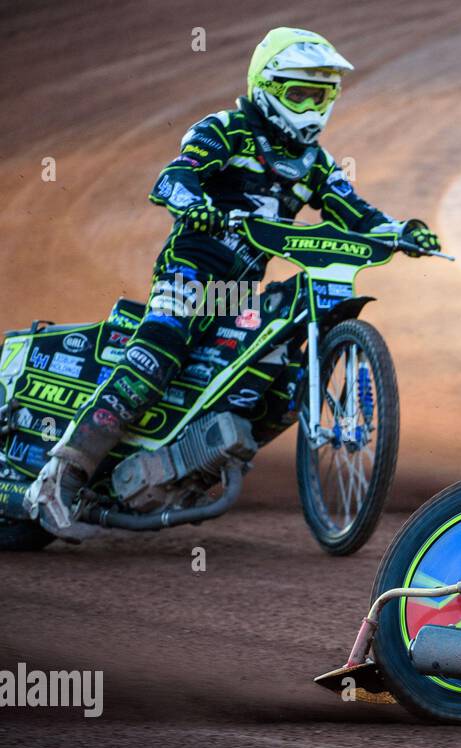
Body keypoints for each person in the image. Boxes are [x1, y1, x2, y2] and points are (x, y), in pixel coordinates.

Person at [28, 27, 439, 536]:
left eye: (322, 94)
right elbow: (174, 175)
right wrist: (191, 203)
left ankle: (199, 461)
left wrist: (401, 232)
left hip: (239, 294)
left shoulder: (316, 164)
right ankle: (60, 474)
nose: (312, 105)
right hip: (192, 272)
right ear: (267, 87)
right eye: (300, 93)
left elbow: (356, 213)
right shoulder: (227, 129)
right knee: (158, 354)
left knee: (274, 367)